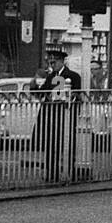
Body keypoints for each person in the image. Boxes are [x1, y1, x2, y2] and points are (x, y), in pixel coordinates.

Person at [33, 49, 82, 182]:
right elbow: (42, 93)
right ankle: (52, 172)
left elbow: (77, 96)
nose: (52, 65)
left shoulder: (73, 76)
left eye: (54, 62)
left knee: (67, 144)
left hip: (66, 116)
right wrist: (34, 87)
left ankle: (68, 171)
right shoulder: (50, 77)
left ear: (61, 61)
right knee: (50, 145)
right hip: (51, 116)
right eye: (50, 62)